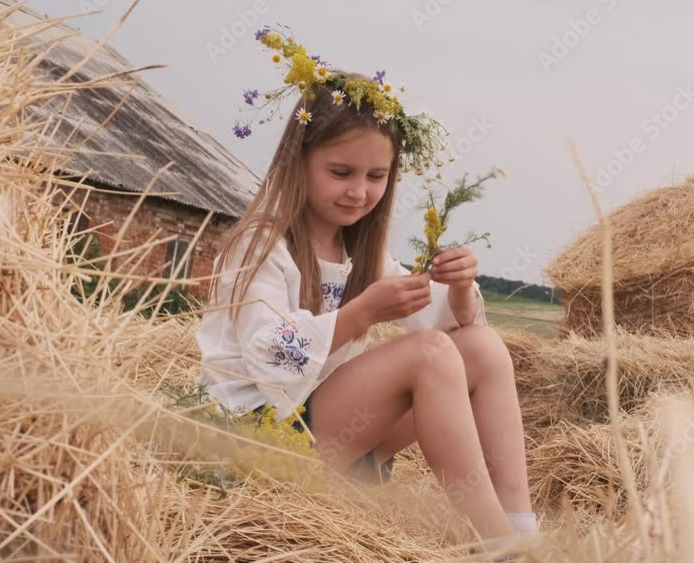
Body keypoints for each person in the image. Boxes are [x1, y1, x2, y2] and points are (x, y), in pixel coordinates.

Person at [195, 26, 537, 554]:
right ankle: (495, 544)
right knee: (428, 356)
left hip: (335, 436)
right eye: (340, 172)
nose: (359, 192)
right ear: (299, 161)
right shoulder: (263, 244)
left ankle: (519, 525)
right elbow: (269, 356)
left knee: (481, 347)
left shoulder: (364, 253)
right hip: (262, 440)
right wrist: (359, 315)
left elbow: (450, 328)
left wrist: (462, 288)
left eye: (376, 176)